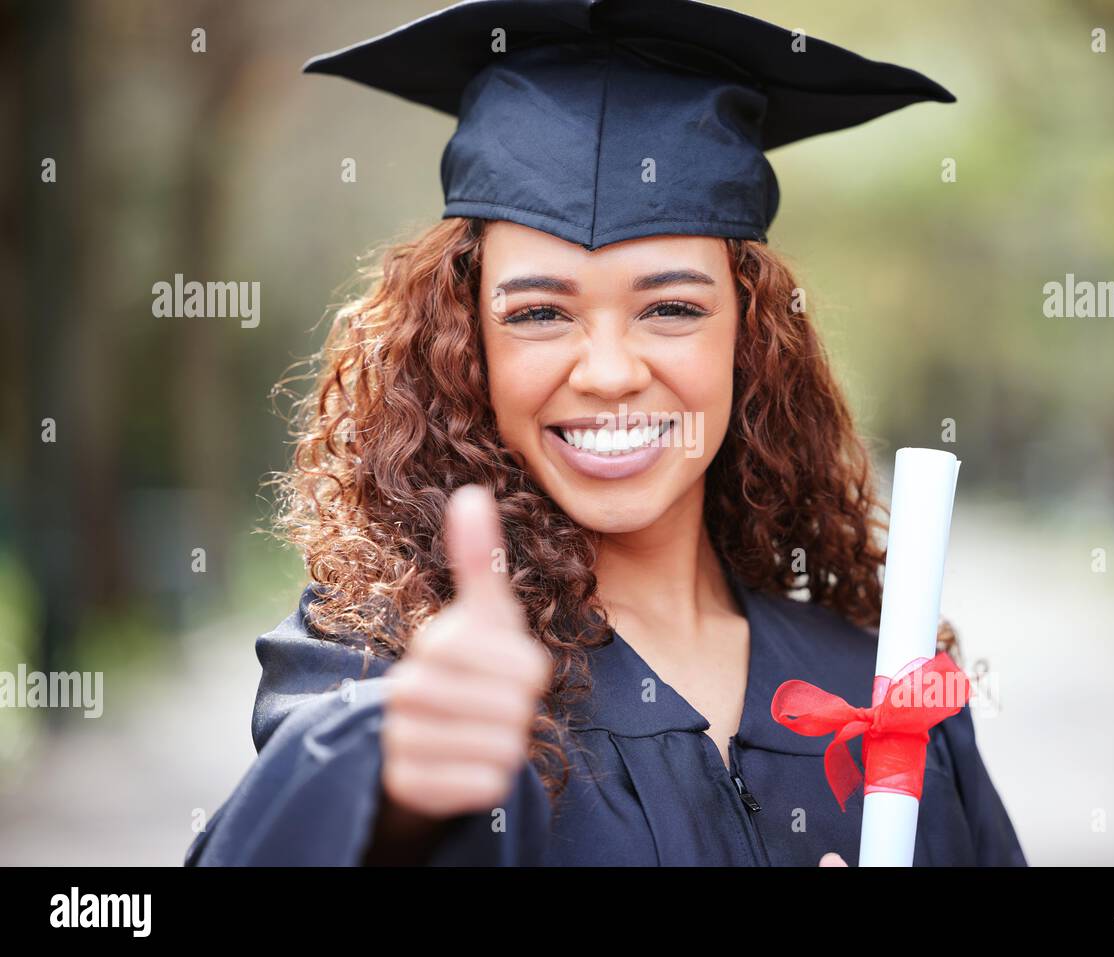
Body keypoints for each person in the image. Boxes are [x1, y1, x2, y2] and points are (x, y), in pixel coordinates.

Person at [186, 0, 1027, 867]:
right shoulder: (384, 673)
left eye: (671, 307)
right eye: (541, 312)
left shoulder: (882, 691)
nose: (610, 370)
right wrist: (393, 789)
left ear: (753, 337)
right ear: (468, 345)